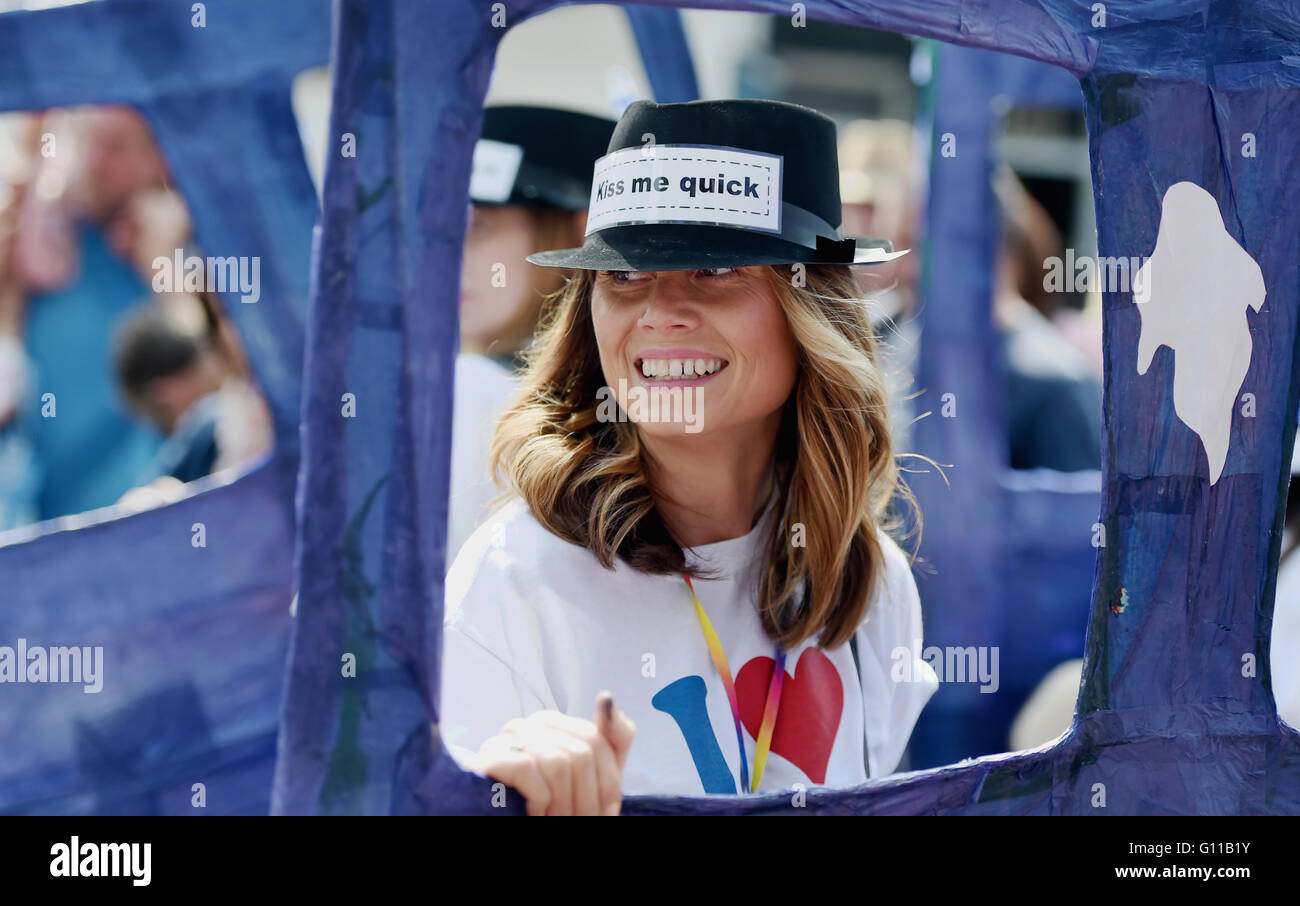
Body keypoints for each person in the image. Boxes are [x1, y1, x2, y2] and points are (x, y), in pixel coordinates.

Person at [440, 98, 938, 816]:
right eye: (624, 275)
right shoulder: (516, 582)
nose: (659, 311)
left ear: (812, 309)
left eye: (713, 269)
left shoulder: (870, 584)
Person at [447, 106, 615, 563]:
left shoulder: (470, 388)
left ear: (582, 232)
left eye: (475, 229)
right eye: (438, 233)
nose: (446, 258)